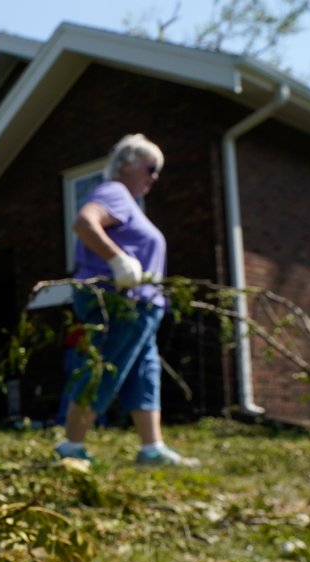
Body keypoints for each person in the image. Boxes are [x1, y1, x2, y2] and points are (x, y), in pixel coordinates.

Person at [54, 133, 196, 467]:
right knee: (103, 367)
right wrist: (118, 259)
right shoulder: (114, 192)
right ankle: (71, 447)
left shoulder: (129, 204)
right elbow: (85, 223)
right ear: (128, 163)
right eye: (151, 167)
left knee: (143, 373)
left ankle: (151, 449)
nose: (155, 177)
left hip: (142, 306)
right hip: (120, 303)